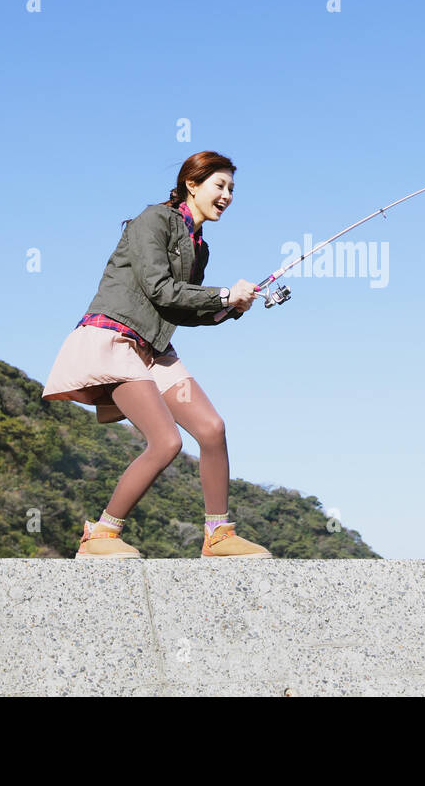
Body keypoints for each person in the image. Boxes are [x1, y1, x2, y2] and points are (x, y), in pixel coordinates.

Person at [41, 151, 273, 559]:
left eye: (232, 189)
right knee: (165, 442)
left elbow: (181, 310)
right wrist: (223, 293)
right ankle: (100, 535)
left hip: (153, 346)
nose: (228, 195)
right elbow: (159, 288)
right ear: (192, 185)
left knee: (212, 429)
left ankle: (218, 536)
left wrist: (229, 308)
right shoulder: (155, 220)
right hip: (113, 339)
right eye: (220, 186)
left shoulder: (199, 249)